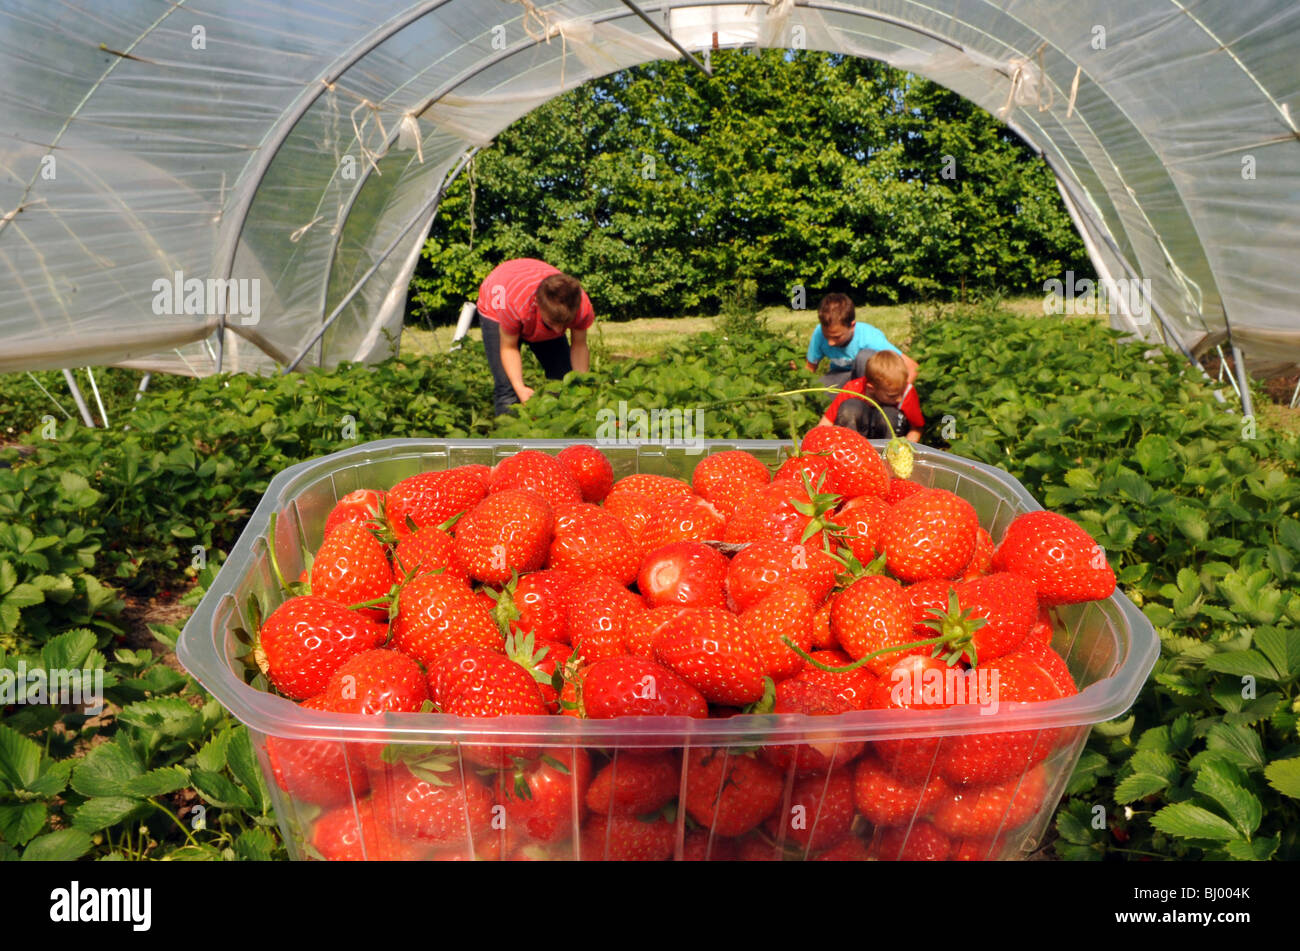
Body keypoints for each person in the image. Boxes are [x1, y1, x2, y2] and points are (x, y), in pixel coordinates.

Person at [475, 258, 594, 416]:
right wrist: (520, 388)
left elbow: (579, 346)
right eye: (553, 322)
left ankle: (560, 430)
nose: (559, 330)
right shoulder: (515, 305)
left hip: (530, 300)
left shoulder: (581, 306)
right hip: (498, 304)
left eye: (565, 323)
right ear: (538, 306)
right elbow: (508, 348)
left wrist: (581, 385)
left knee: (565, 379)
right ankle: (507, 437)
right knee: (507, 390)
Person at [804, 292, 918, 388]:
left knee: (865, 356)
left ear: (852, 326)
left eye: (837, 337)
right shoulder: (819, 333)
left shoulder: (870, 338)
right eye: (826, 335)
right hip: (840, 375)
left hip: (869, 378)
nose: (830, 342)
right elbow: (810, 368)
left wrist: (901, 395)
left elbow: (913, 367)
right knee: (819, 393)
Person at [819, 349, 925, 442]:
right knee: (850, 408)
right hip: (857, 440)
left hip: (889, 441)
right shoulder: (853, 389)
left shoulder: (906, 392)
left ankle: (889, 457)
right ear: (871, 388)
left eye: (901, 392)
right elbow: (826, 423)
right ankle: (848, 447)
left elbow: (916, 428)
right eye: (892, 395)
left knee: (889, 415)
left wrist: (907, 446)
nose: (899, 398)